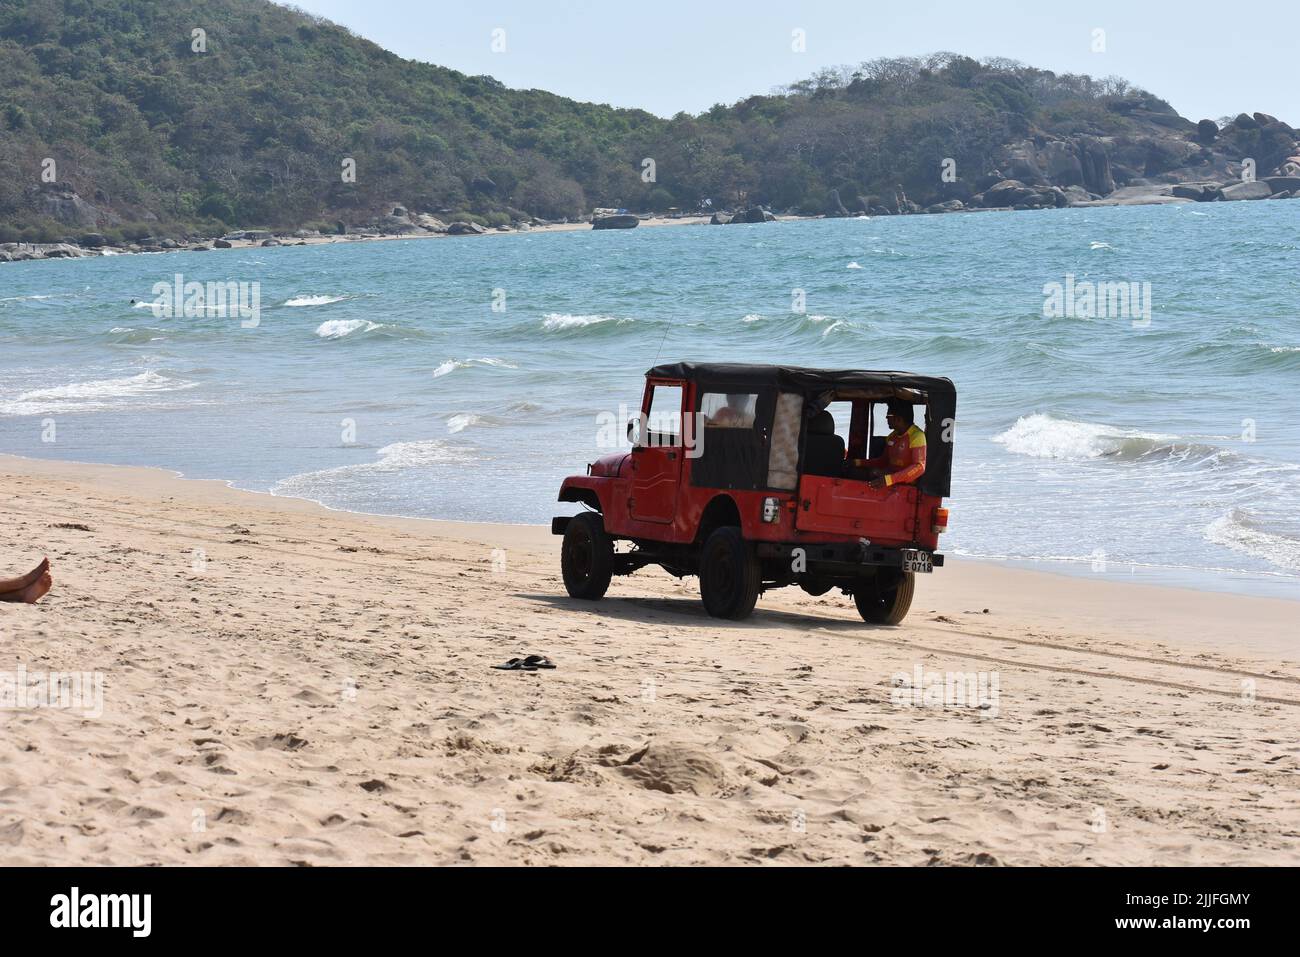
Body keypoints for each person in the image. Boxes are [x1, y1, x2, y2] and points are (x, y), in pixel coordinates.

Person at [864, 400, 926, 489]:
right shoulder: (892, 437)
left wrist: (890, 480)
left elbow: (919, 467)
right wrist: (857, 462)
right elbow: (883, 461)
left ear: (899, 418)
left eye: (888, 415)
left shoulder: (917, 436)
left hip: (906, 484)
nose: (886, 418)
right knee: (863, 472)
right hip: (891, 477)